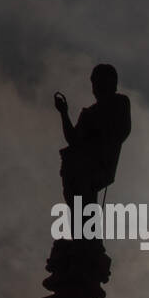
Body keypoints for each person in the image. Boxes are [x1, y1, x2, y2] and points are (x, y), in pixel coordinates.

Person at [56, 64, 132, 233]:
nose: (95, 87)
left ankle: (88, 239)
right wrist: (64, 113)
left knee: (84, 195)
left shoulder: (119, 102)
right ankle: (83, 237)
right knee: (76, 198)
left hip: (99, 162)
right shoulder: (89, 113)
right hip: (79, 165)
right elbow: (73, 139)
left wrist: (98, 137)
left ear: (111, 82)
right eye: (94, 83)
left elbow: (122, 130)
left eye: (99, 82)